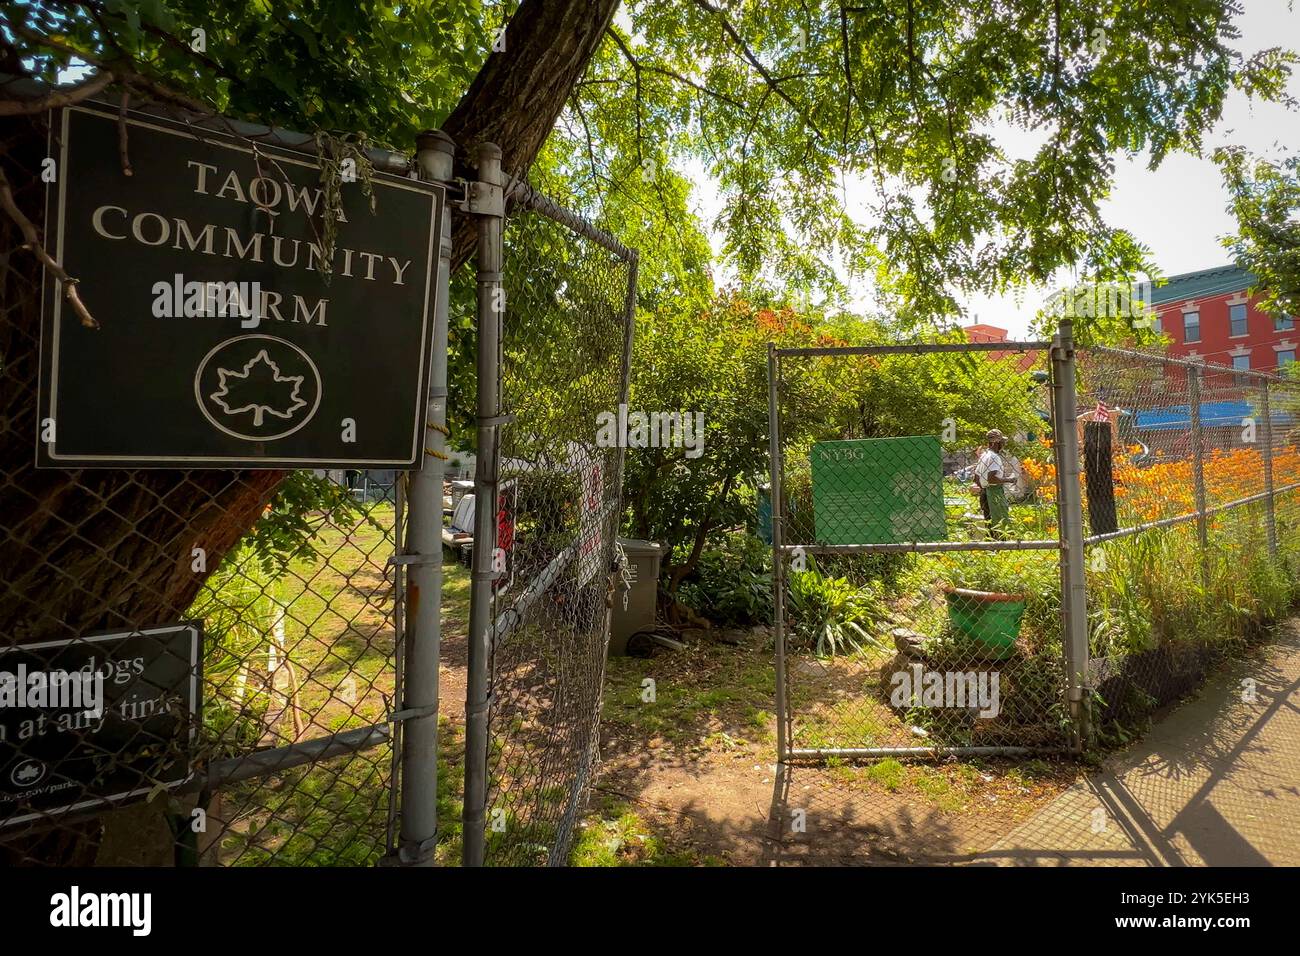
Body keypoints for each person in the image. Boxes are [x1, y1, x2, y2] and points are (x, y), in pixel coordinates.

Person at [971, 429, 1013, 536]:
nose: (1003, 445)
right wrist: (1009, 479)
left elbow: (976, 478)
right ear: (996, 442)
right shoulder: (994, 457)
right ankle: (1001, 548)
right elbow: (992, 478)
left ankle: (992, 548)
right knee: (999, 523)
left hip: (984, 493)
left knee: (989, 525)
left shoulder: (984, 456)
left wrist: (985, 488)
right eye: (1001, 442)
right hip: (995, 493)